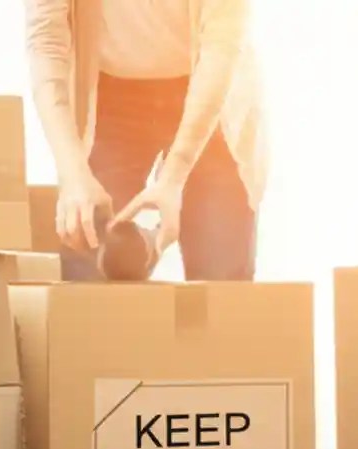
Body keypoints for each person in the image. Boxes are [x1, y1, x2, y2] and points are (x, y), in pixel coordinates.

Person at [23, 0, 266, 281]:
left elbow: (221, 47)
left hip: (210, 101)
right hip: (113, 97)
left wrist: (174, 178)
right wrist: (74, 174)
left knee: (223, 286)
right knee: (89, 273)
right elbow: (46, 42)